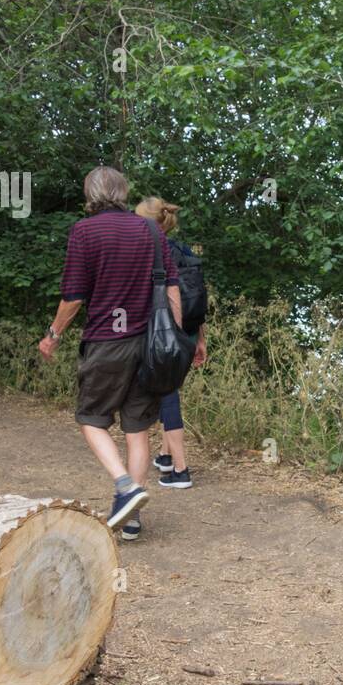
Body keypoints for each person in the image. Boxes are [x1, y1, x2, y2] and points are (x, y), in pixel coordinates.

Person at [37, 166, 199, 541]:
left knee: (91, 418)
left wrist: (53, 334)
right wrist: (173, 336)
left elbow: (74, 296)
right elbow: (172, 287)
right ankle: (131, 518)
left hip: (107, 341)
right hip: (149, 343)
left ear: (89, 194)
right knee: (137, 428)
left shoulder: (84, 231)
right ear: (124, 192)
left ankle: (125, 487)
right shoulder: (151, 230)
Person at [133, 196, 204, 489]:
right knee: (171, 388)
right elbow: (198, 296)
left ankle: (181, 469)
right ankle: (164, 455)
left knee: (168, 394)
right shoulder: (184, 251)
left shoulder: (147, 251)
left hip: (160, 331)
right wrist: (200, 339)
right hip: (186, 330)